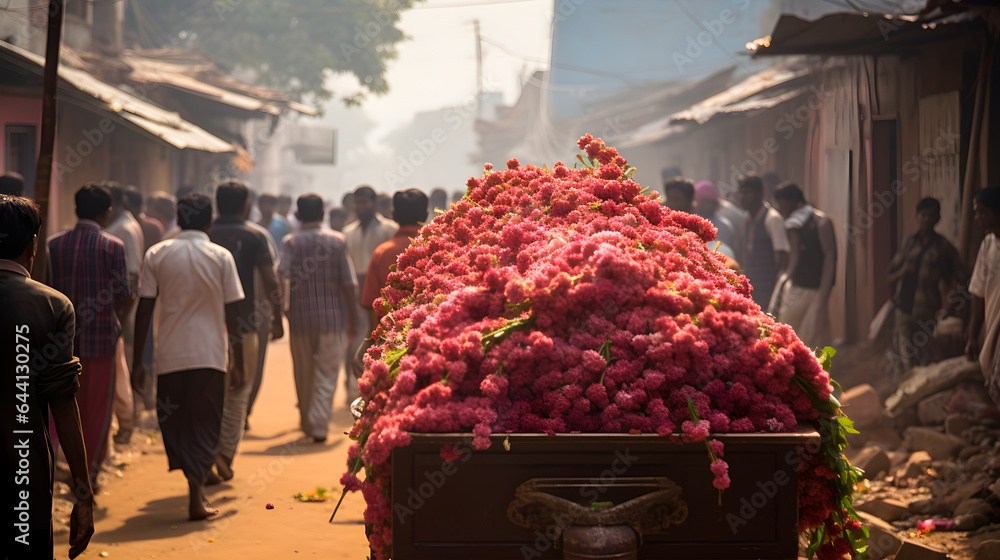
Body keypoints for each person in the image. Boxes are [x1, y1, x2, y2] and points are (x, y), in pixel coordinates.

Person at [133, 193, 244, 520]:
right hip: (210, 355)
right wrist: (238, 359)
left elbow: (144, 310)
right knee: (205, 421)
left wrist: (138, 359)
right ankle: (199, 484)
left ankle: (197, 480)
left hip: (170, 355)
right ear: (209, 220)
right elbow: (234, 313)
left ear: (179, 219)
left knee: (175, 422)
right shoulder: (221, 256)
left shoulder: (157, 253)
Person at [2, 195, 95, 559]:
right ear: (33, 245)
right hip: (25, 472)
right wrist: (83, 493)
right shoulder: (53, 305)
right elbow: (62, 402)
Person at [48, 184, 130, 488]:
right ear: (105, 213)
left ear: (75, 209)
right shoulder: (113, 246)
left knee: (65, 404)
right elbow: (122, 292)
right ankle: (89, 472)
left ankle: (64, 466)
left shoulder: (55, 245)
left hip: (61, 342)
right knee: (96, 408)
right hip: (100, 341)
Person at [207, 180, 284, 482]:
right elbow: (271, 280)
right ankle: (225, 454)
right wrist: (278, 318)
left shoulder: (205, 232)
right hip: (245, 325)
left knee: (210, 391)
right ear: (245, 205)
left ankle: (208, 451)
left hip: (207, 326)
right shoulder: (256, 236)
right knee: (239, 391)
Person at [280, 194, 358, 442]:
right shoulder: (337, 241)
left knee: (303, 371)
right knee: (327, 372)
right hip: (332, 319)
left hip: (300, 319)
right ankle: (319, 425)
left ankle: (307, 420)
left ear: (299, 216)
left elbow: (280, 272)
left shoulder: (291, 242)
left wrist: (283, 307)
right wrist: (353, 319)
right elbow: (349, 283)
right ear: (323, 214)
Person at [887, 197, 963, 378]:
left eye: (931, 216)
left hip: (927, 313)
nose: (926, 220)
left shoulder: (943, 247)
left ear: (938, 219)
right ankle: (903, 395)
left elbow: (962, 279)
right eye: (923, 215)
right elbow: (890, 275)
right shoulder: (908, 243)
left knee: (925, 357)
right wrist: (903, 271)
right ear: (917, 217)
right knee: (903, 357)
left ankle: (919, 398)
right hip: (903, 308)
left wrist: (950, 307)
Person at [342, 185, 397, 402]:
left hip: (381, 294)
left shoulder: (388, 229)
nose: (361, 206)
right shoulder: (348, 232)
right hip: (355, 292)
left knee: (378, 340)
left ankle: (375, 388)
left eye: (365, 202)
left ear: (373, 203)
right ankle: (354, 388)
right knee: (354, 340)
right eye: (358, 202)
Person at [772, 184, 837, 349]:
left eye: (781, 203)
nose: (780, 208)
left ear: (790, 201)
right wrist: (783, 282)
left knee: (813, 339)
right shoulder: (793, 225)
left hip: (815, 290)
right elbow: (794, 257)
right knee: (787, 337)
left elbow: (830, 259)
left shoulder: (820, 223)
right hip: (795, 288)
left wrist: (823, 296)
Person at [105, 183, 144, 445]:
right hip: (119, 310)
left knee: (120, 368)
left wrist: (120, 313)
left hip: (119, 311)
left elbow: (132, 274)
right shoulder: (125, 225)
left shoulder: (122, 229)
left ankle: (126, 423)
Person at [967, 186, 1000, 404]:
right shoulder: (988, 245)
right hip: (993, 324)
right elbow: (978, 293)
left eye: (982, 212)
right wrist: (972, 335)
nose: (977, 217)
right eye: (975, 212)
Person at [738, 175, 790, 310]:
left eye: (747, 193)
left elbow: (782, 259)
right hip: (752, 288)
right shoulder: (746, 219)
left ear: (759, 194)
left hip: (769, 290)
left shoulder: (772, 219)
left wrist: (777, 293)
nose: (743, 198)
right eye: (741, 193)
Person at [693, 180, 739, 261]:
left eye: (709, 201)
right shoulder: (691, 222)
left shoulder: (723, 226)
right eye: (702, 201)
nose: (704, 205)